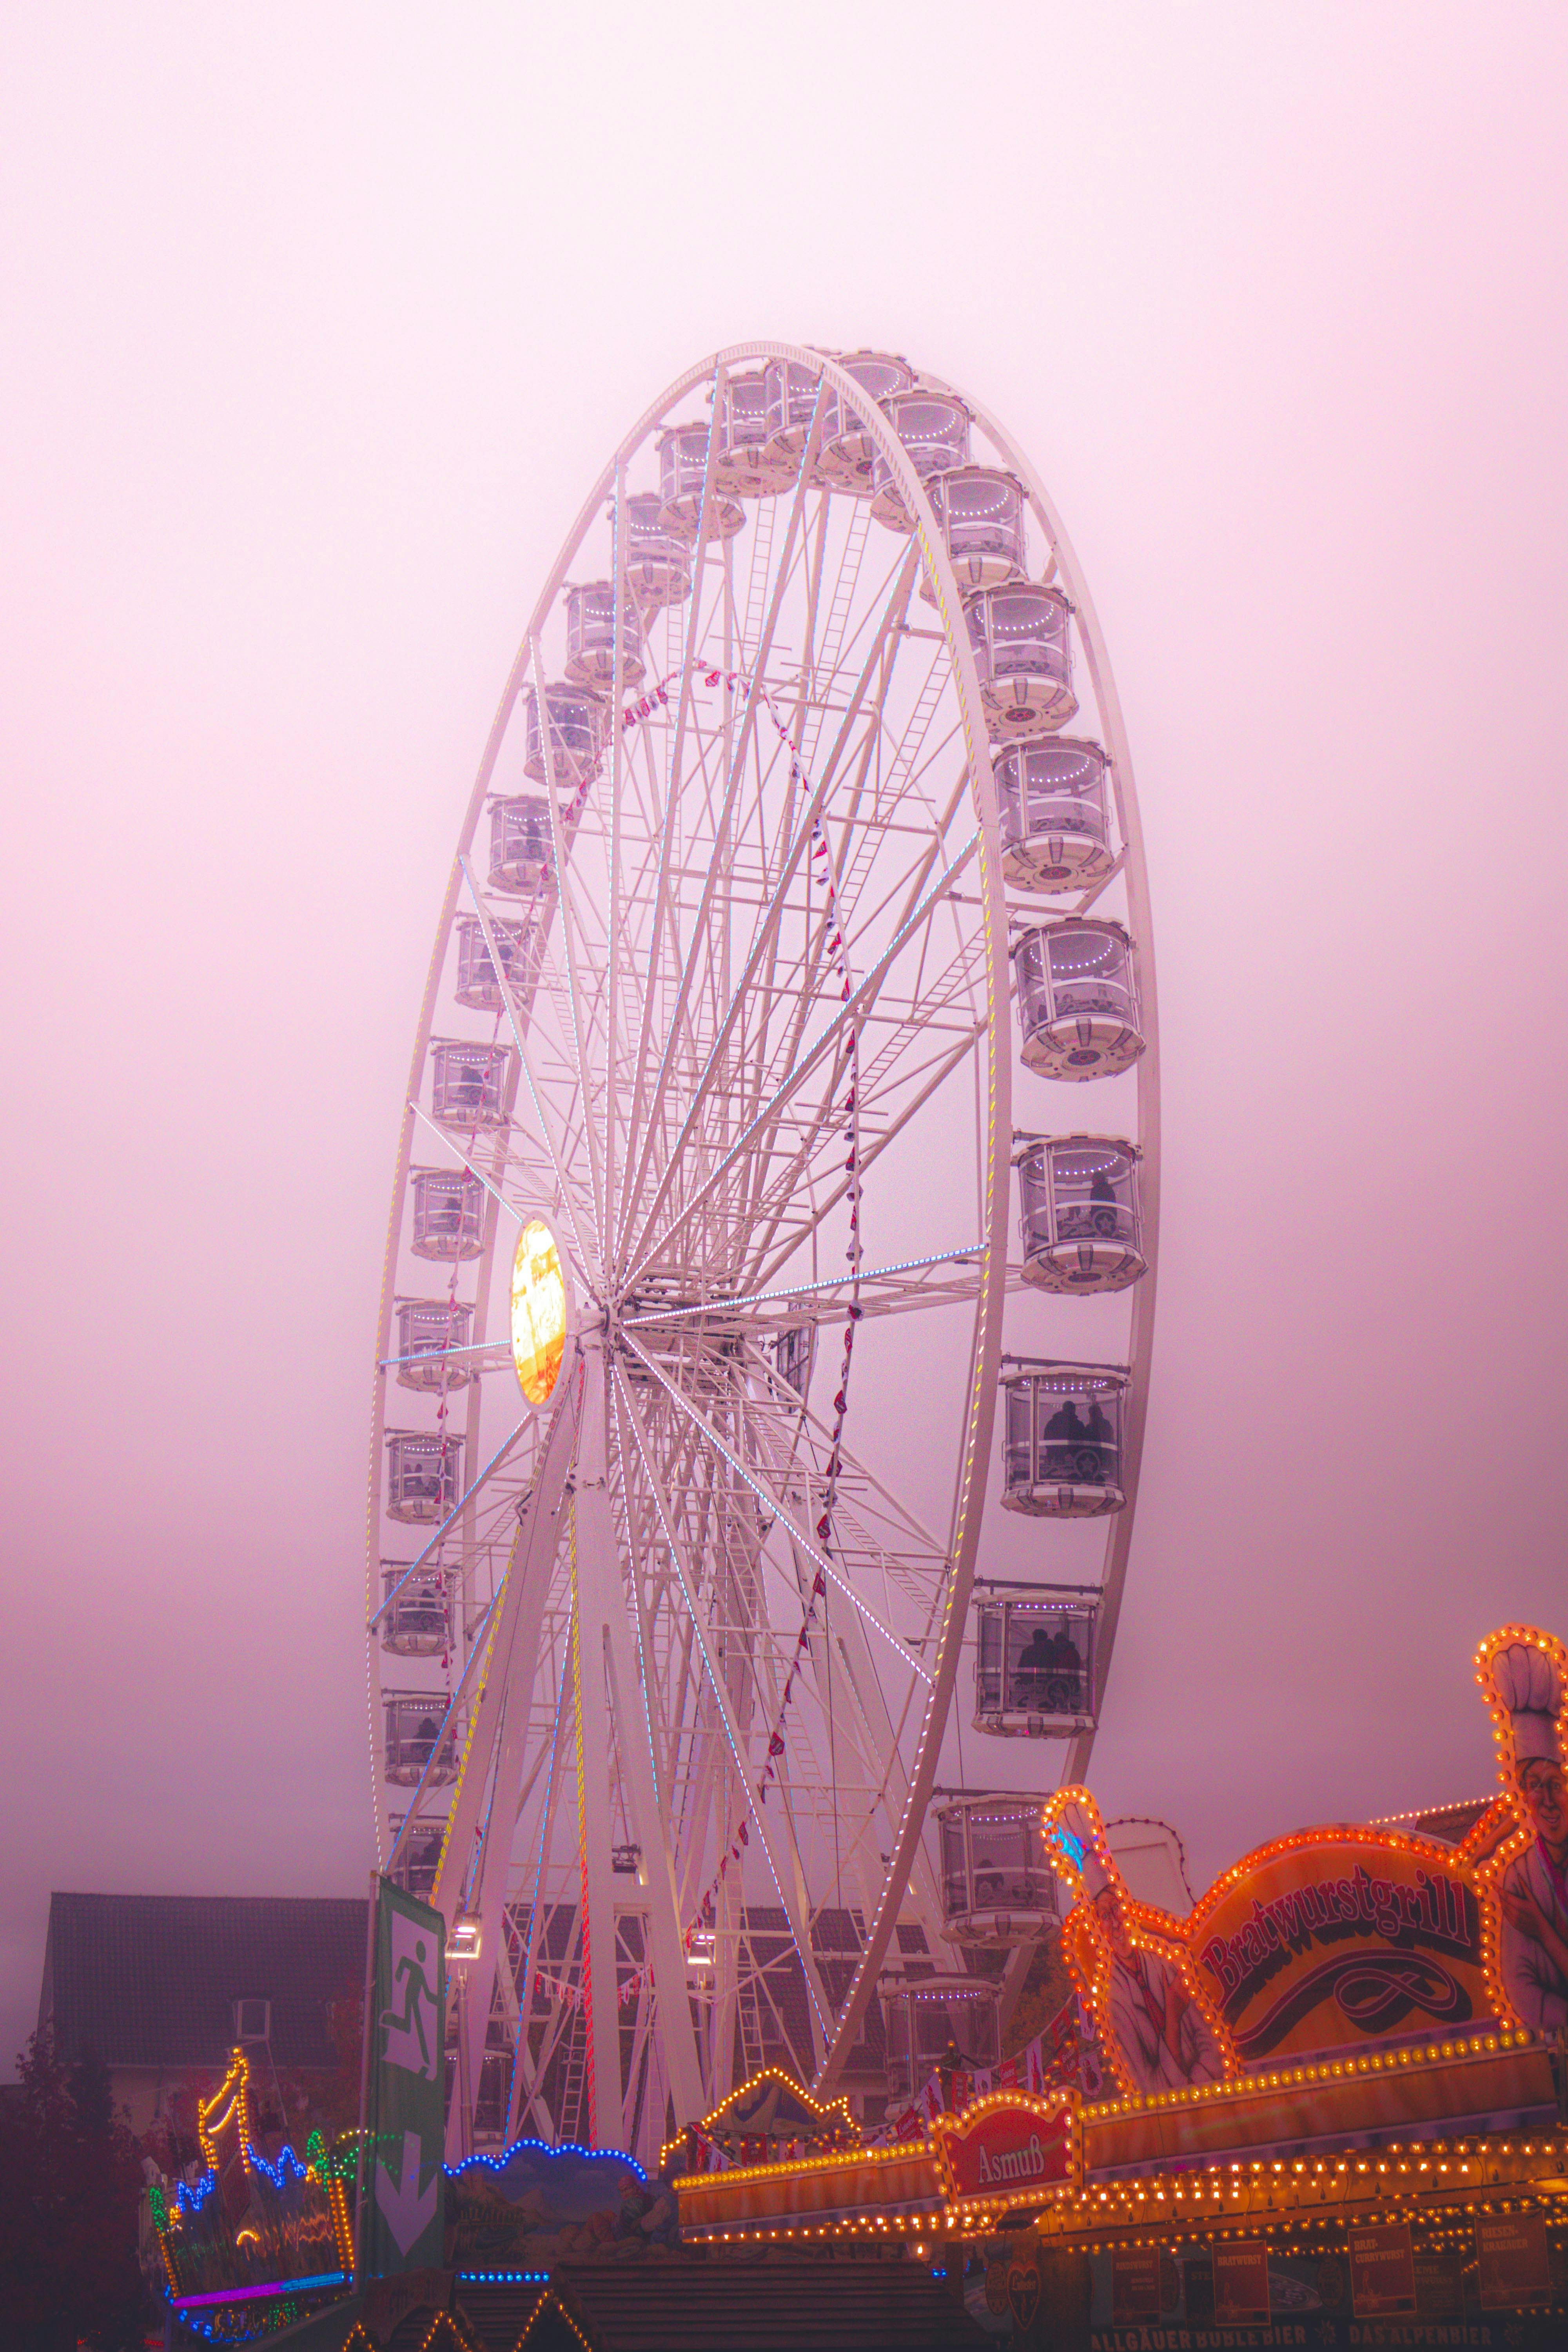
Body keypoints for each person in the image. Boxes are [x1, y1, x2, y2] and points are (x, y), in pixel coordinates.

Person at [1488, 1640, 1568, 2029]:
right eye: (1534, 1785)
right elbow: (1522, 1992)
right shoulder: (1517, 1876)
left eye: (1556, 1783)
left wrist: (1540, 1927)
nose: (1547, 1800)